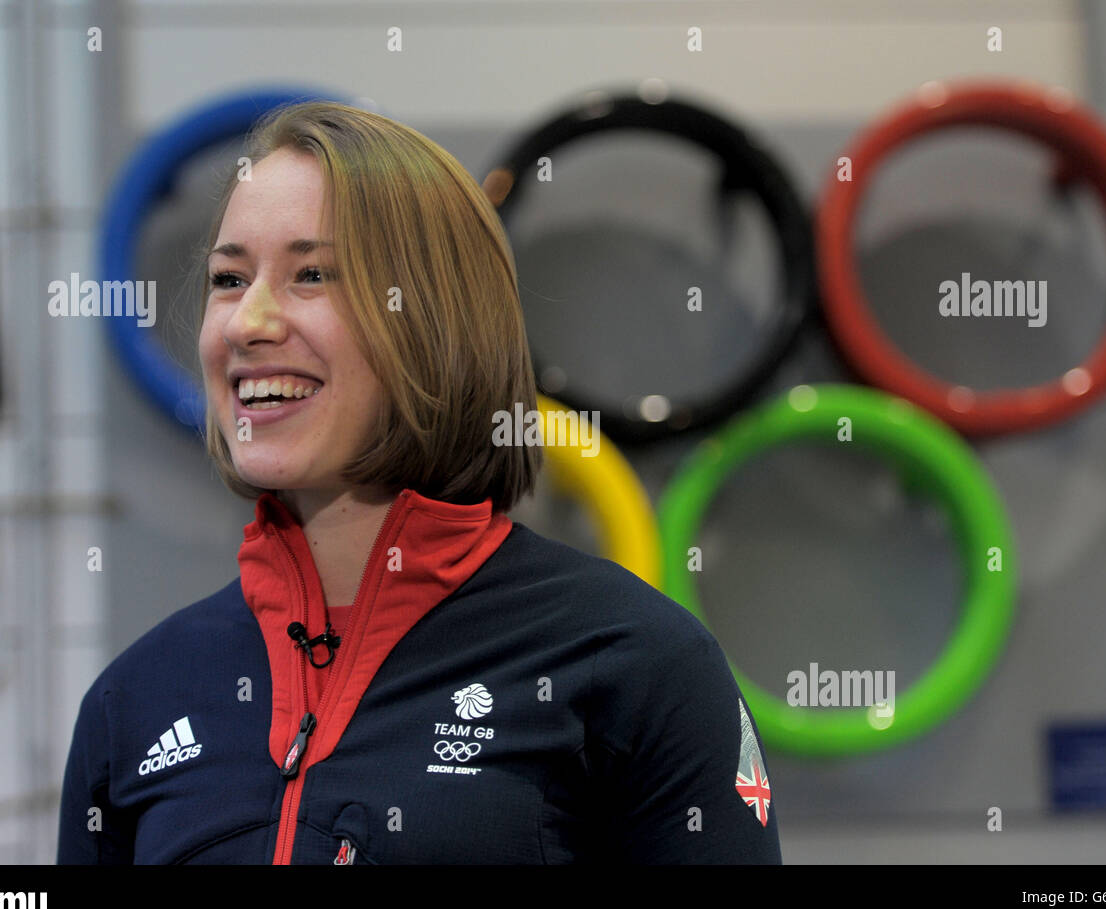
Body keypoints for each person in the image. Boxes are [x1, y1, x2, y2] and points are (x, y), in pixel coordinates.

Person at [57, 100, 781, 864]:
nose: (247, 322)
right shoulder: (133, 700)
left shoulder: (640, 665)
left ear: (435, 320)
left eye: (313, 274)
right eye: (229, 278)